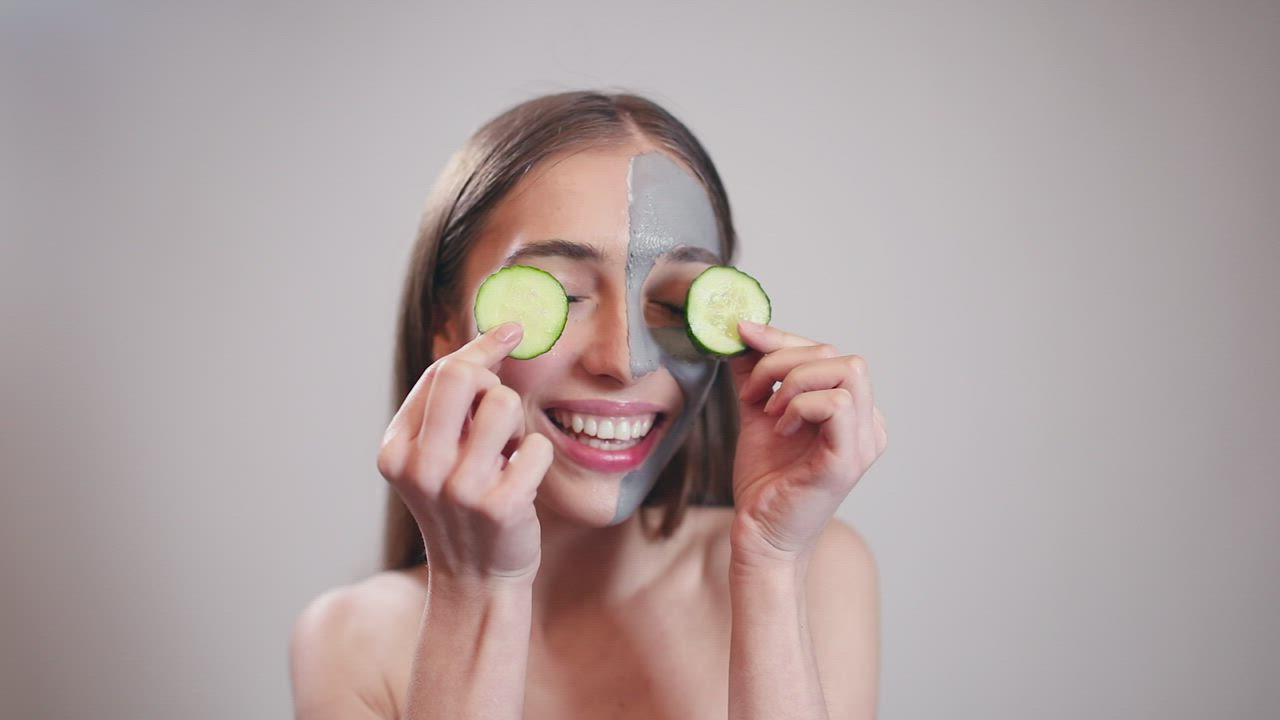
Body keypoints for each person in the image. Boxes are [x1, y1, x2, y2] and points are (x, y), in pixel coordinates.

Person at [289, 90, 888, 719]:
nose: (624, 360)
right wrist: (476, 591)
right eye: (563, 295)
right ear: (447, 327)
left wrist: (771, 563)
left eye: (676, 301)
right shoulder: (349, 642)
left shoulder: (817, 570)